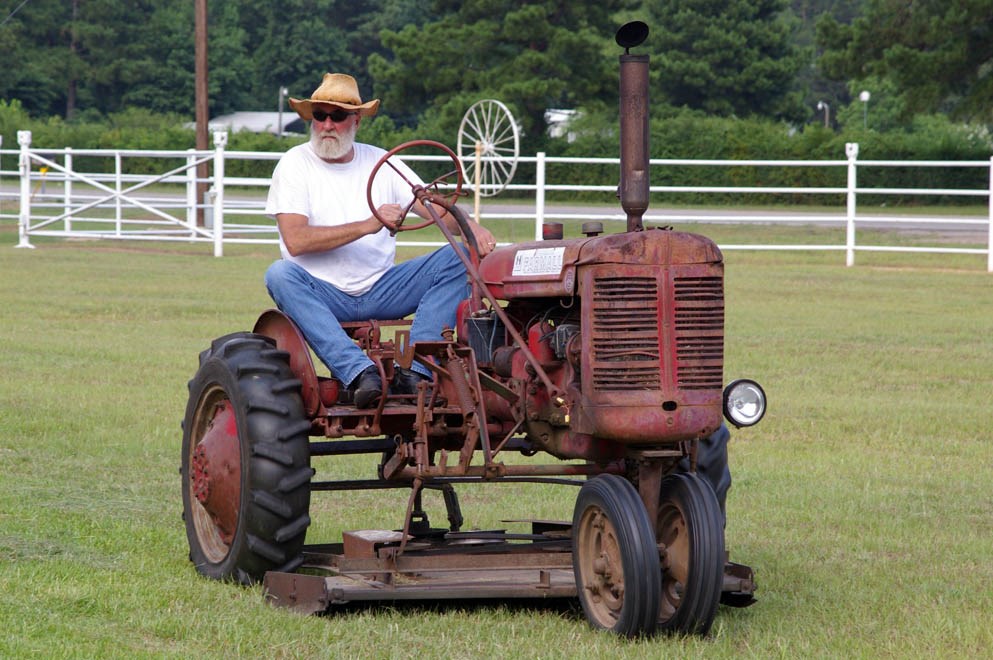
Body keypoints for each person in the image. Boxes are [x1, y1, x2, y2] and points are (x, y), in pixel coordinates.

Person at [264, 73, 497, 408]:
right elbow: (296, 240)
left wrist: (469, 226)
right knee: (280, 274)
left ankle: (417, 371)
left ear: (356, 120)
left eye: (338, 116)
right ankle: (359, 372)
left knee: (459, 256)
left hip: (383, 287)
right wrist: (369, 224)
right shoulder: (294, 164)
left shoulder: (381, 162)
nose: (327, 124)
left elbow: (428, 204)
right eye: (320, 115)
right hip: (321, 291)